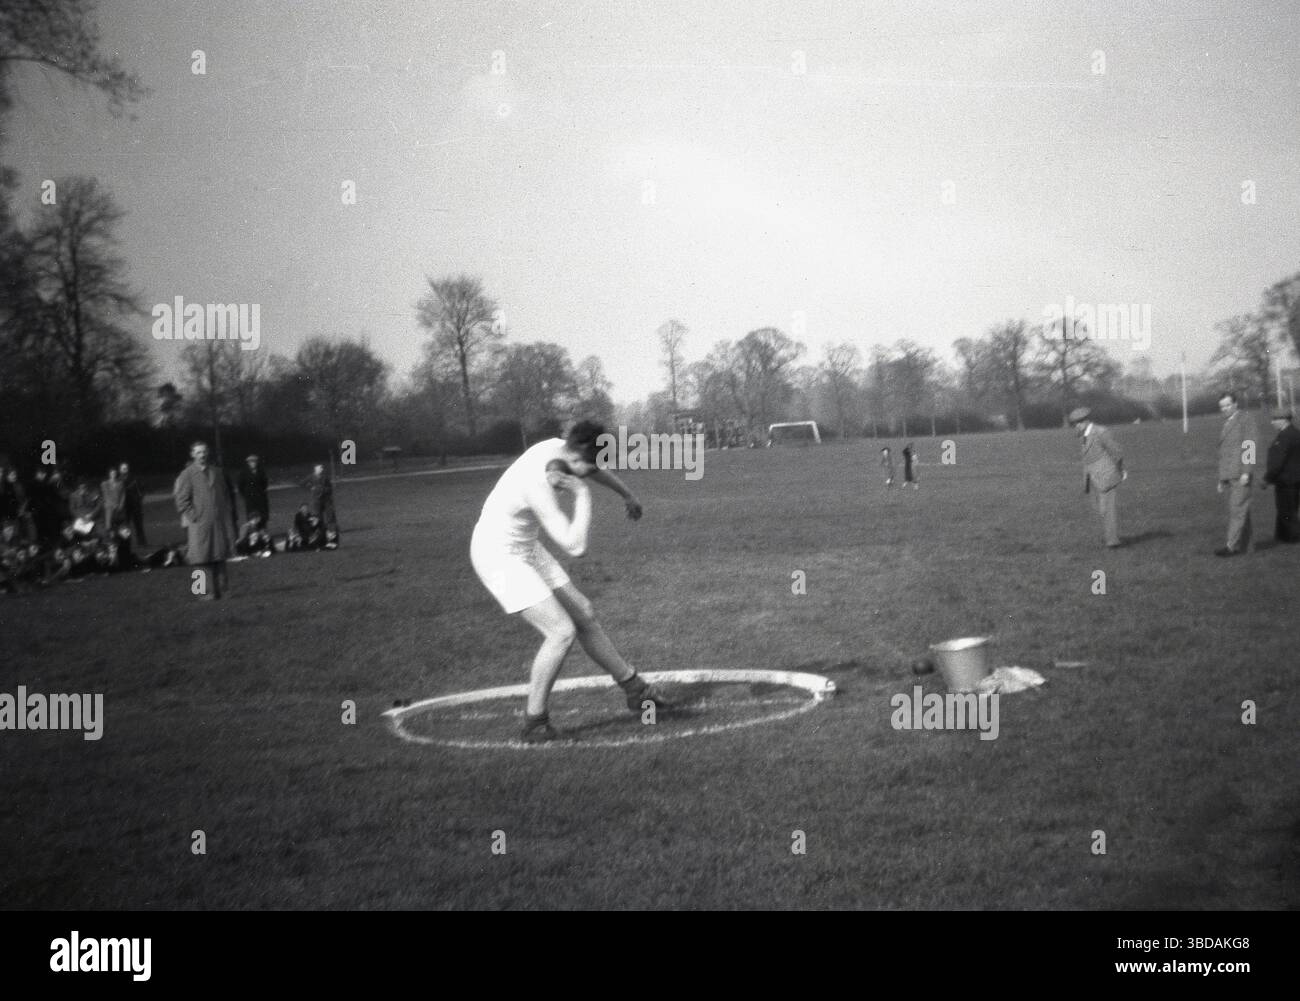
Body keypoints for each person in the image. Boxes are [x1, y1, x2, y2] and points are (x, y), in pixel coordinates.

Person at [469, 419, 659, 744]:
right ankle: (535, 722)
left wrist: (627, 494)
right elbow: (575, 547)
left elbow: (590, 469)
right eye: (583, 469)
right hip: (496, 553)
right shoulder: (537, 481)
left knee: (583, 613)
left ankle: (635, 690)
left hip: (525, 547)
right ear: (572, 453)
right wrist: (582, 494)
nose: (586, 474)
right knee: (560, 631)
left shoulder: (563, 450)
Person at [173, 441, 239, 599]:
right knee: (200, 559)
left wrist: (225, 513)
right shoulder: (187, 474)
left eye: (204, 452)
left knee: (219, 556)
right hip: (199, 524)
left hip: (218, 523)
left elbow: (225, 495)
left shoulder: (217, 472)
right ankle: (202, 592)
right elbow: (181, 500)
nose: (202, 455)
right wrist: (194, 516)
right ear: (192, 454)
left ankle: (223, 591)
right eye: (198, 452)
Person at [1069, 407, 1126, 548]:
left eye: (1078, 423)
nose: (1076, 426)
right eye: (1075, 423)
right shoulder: (1085, 434)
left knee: (1107, 510)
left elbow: (1117, 451)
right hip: (1094, 477)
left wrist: (1118, 470)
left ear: (1086, 421)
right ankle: (1110, 537)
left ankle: (1112, 541)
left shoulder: (1100, 432)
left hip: (1106, 476)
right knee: (1101, 509)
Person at [1215, 392, 1258, 556]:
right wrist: (1221, 479)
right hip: (1230, 474)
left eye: (1227, 405)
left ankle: (1231, 547)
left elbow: (1249, 446)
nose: (1224, 409)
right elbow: (1224, 453)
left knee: (1237, 510)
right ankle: (1247, 548)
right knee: (1241, 510)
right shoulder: (1227, 422)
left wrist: (1247, 472)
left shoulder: (1245, 419)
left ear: (1235, 404)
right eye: (1222, 407)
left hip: (1241, 474)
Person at [1263, 409, 1300, 543]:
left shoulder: (1284, 437)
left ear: (1283, 420)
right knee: (1290, 508)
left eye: (1275, 419)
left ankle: (1293, 538)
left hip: (1285, 480)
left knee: (1286, 510)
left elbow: (1277, 462)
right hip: (1295, 479)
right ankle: (1283, 536)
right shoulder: (1296, 433)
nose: (1272, 422)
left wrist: (1267, 479)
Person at [302, 463, 338, 536]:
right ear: (315, 469)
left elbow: (330, 487)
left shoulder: (325, 477)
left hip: (326, 500)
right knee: (318, 515)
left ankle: (332, 529)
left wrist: (325, 490)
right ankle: (320, 529)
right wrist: (311, 488)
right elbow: (302, 483)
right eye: (320, 468)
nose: (322, 469)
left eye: (322, 468)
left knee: (330, 514)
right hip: (316, 500)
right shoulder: (311, 477)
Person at [120, 462, 148, 546]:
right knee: (125, 525)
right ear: (120, 470)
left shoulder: (134, 478)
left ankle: (142, 542)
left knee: (138, 524)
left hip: (135, 505)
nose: (125, 470)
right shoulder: (119, 480)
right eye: (123, 468)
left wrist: (140, 498)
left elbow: (142, 489)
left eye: (126, 468)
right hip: (124, 506)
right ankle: (125, 542)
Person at [238, 454, 270, 526]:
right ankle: (253, 532)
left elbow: (265, 483)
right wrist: (246, 495)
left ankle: (262, 530)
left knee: (262, 515)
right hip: (250, 498)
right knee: (252, 515)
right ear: (248, 463)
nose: (253, 463)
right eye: (251, 462)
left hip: (260, 497)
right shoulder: (243, 473)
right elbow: (240, 485)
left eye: (254, 462)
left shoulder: (261, 472)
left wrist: (261, 492)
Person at [100, 465, 127, 538]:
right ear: (109, 474)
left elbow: (123, 495)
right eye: (112, 473)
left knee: (120, 525)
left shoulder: (120, 483)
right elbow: (106, 495)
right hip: (109, 507)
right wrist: (113, 504)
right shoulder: (104, 484)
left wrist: (121, 505)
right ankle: (111, 541)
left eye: (114, 473)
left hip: (119, 507)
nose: (113, 475)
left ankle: (121, 541)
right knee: (109, 526)